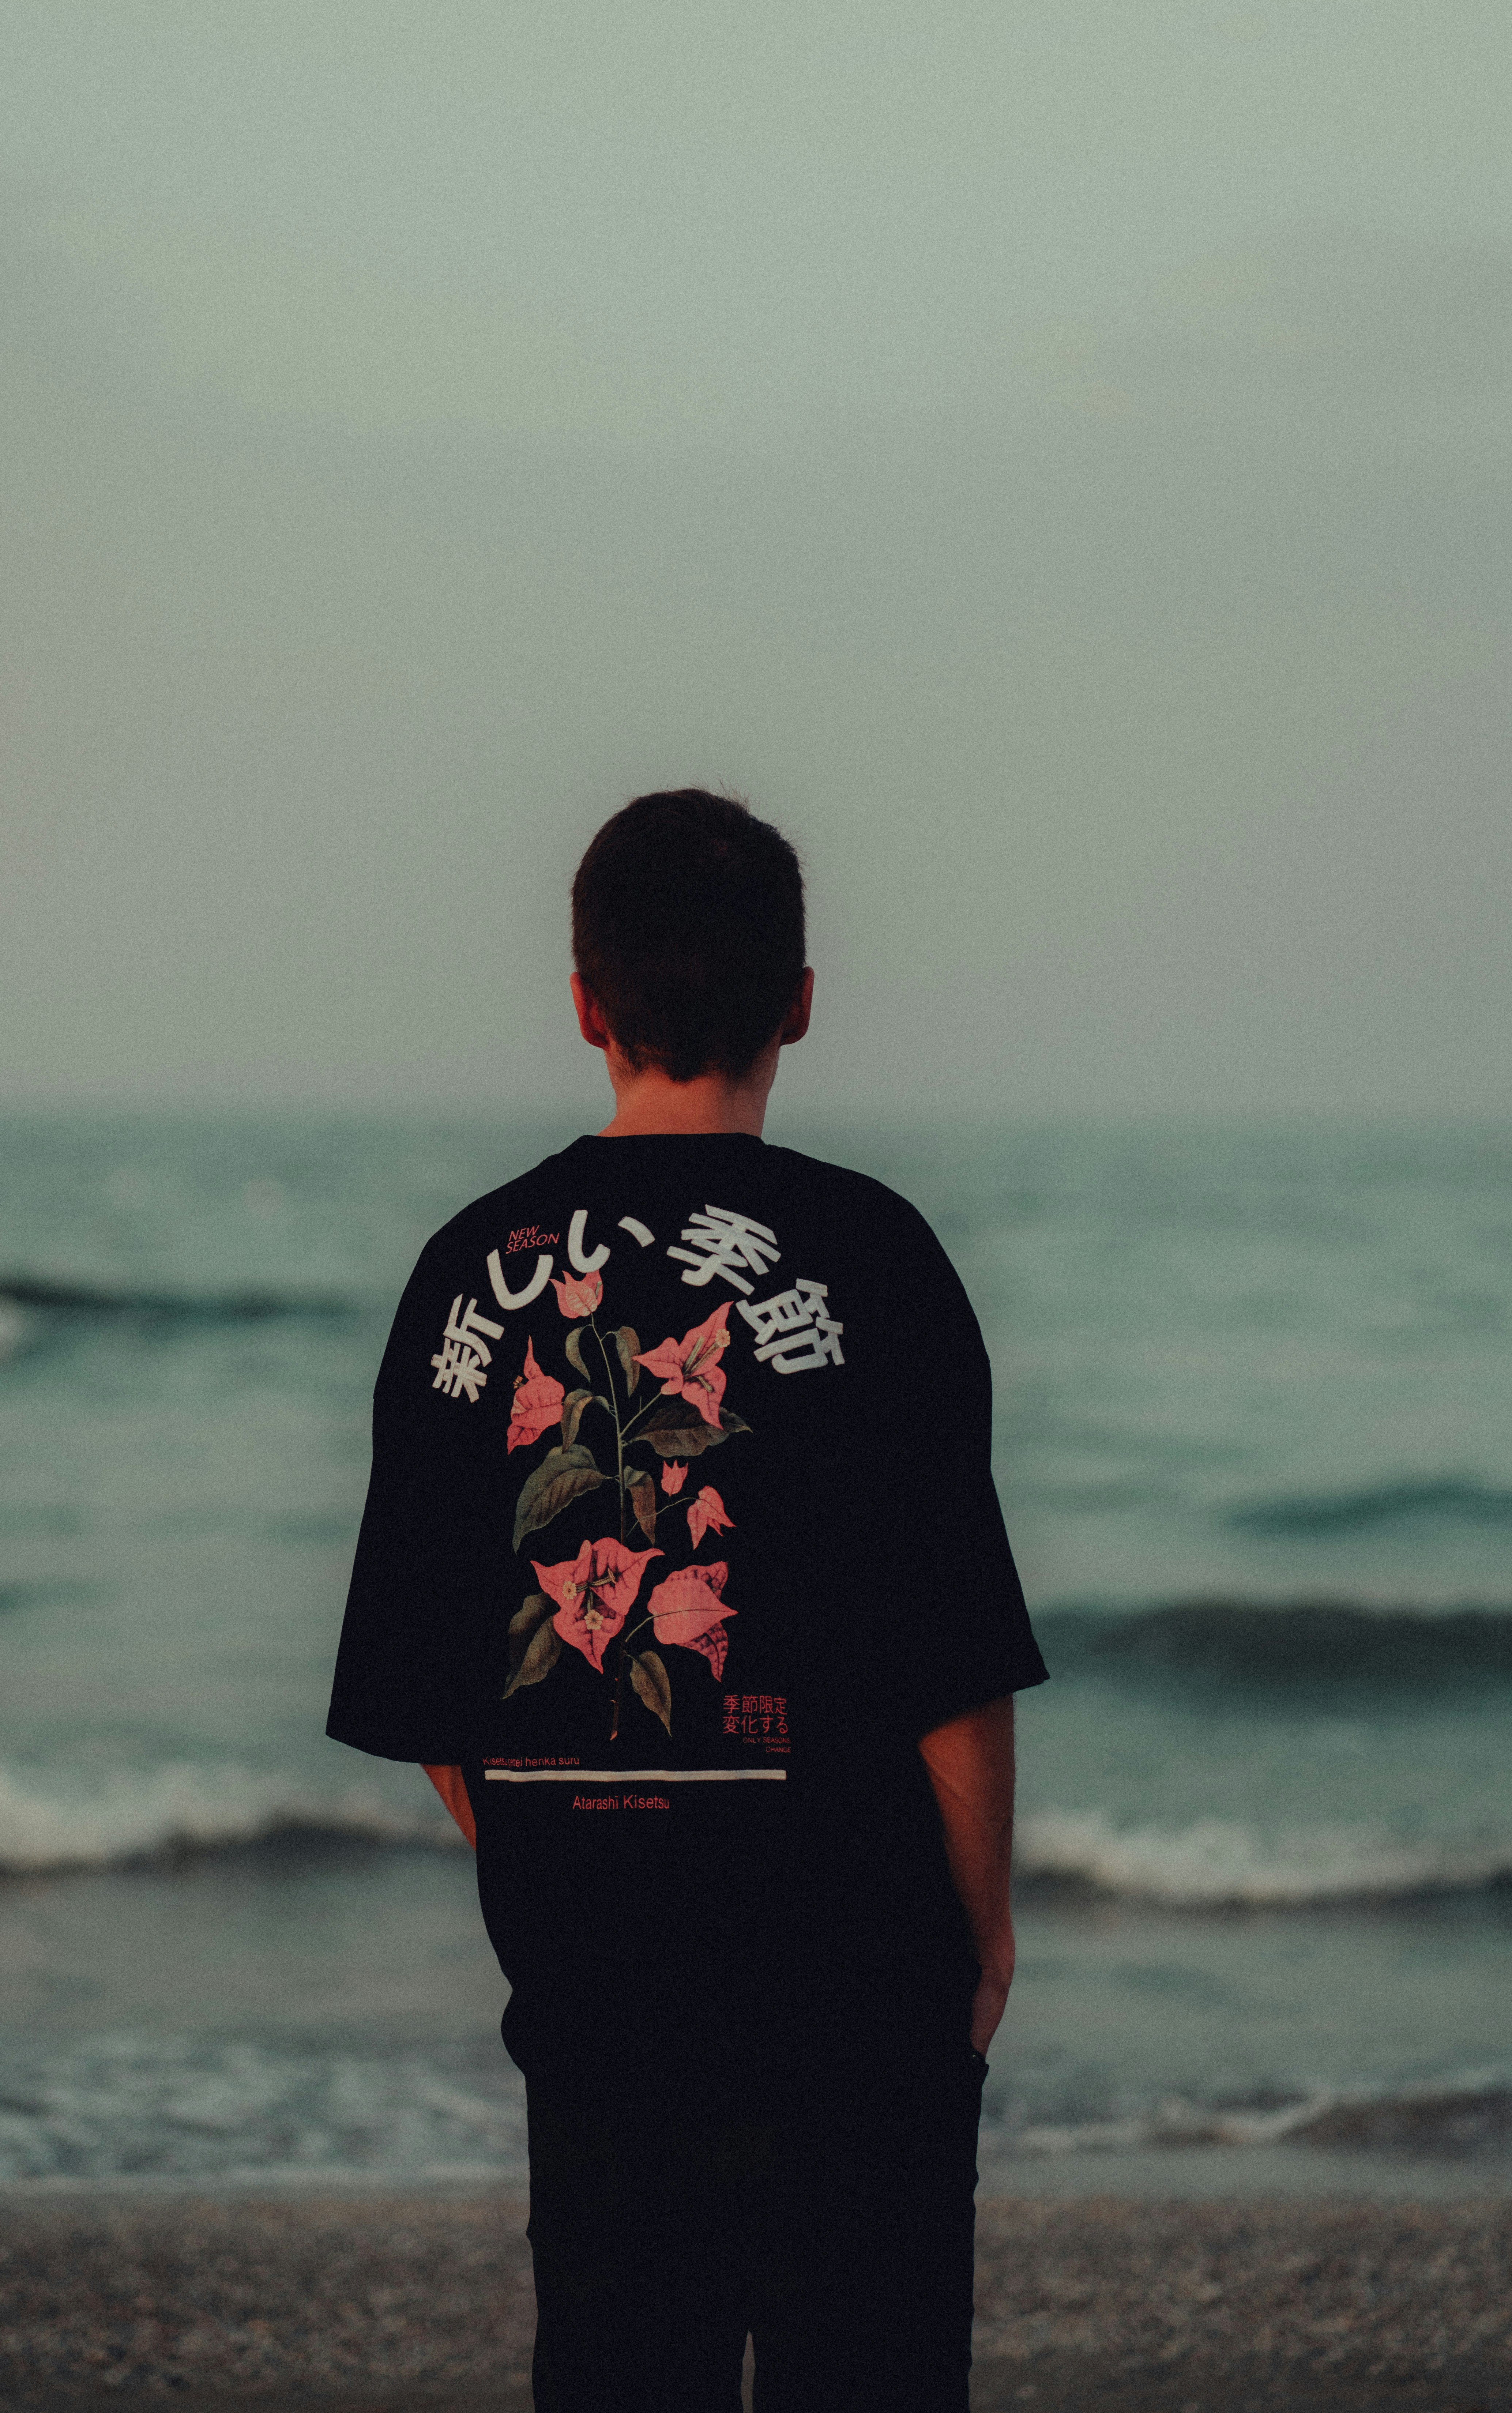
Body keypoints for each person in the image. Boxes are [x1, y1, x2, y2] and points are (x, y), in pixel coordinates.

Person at [328, 788, 1046, 2413]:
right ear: (801, 999)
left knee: (622, 2365)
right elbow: (950, 1659)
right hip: (859, 1974)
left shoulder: (468, 1270)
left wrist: (568, 1860)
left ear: (586, 1003)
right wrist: (984, 1928)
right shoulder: (877, 1254)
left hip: (598, 1979)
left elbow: (432, 1688)